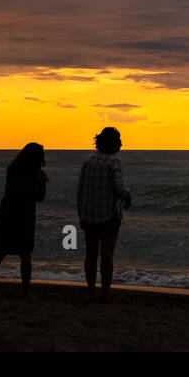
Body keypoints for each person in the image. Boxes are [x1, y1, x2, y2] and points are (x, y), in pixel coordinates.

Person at [0, 143, 49, 296]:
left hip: (8, 211)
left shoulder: (12, 169)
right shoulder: (36, 174)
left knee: (0, 251)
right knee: (25, 253)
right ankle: (25, 290)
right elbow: (39, 198)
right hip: (24, 213)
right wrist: (42, 184)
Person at [76, 127, 131, 302]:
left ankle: (91, 292)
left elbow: (81, 189)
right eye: (119, 141)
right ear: (112, 143)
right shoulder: (114, 162)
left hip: (89, 214)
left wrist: (81, 213)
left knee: (91, 255)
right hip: (109, 215)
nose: (121, 144)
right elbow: (118, 187)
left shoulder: (88, 161)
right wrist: (127, 194)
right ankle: (105, 294)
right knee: (107, 256)